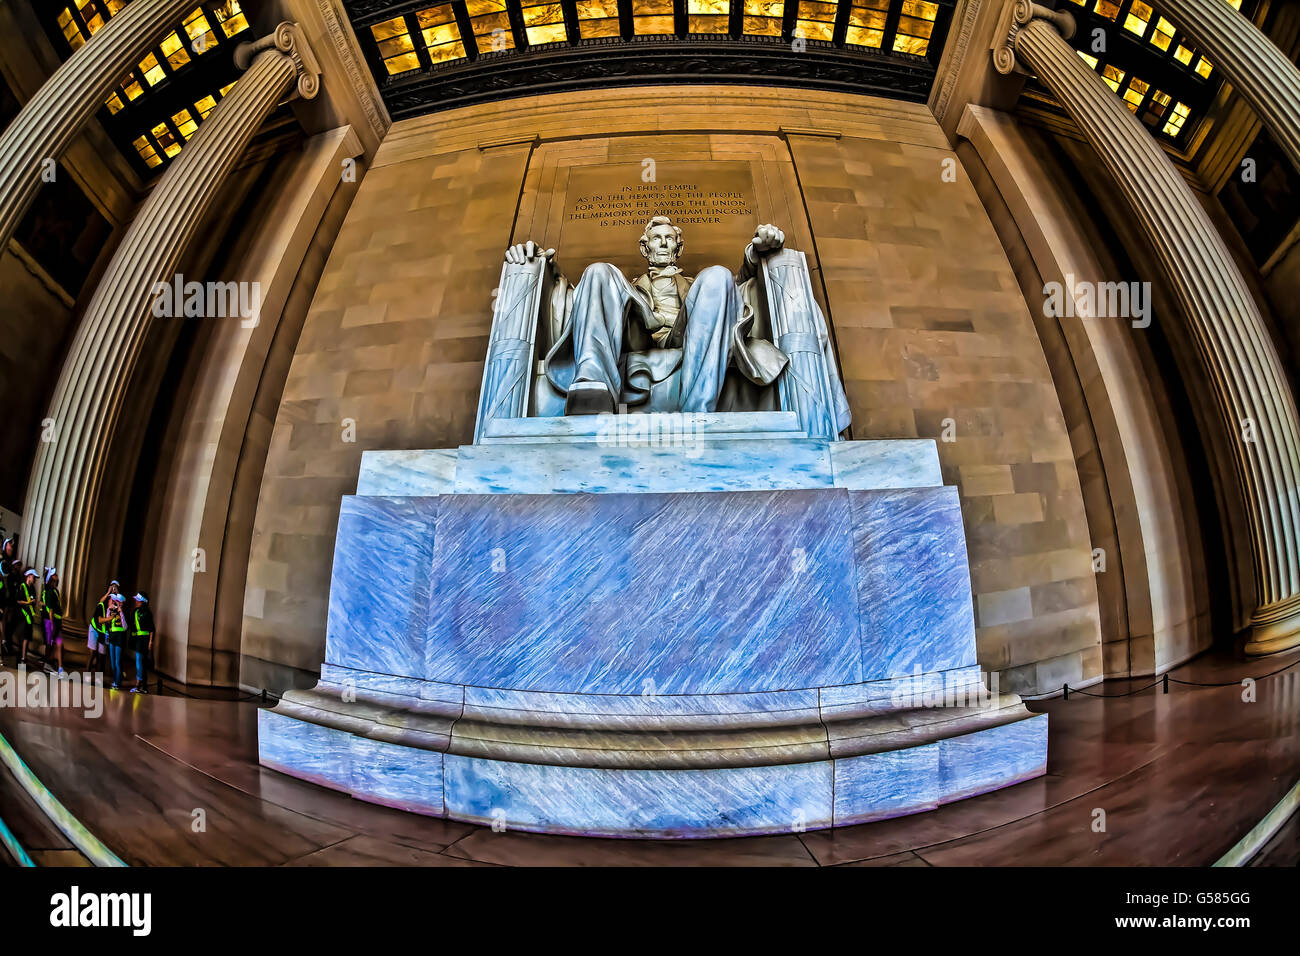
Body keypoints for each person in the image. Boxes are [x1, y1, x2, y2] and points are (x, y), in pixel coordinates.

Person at [41, 568, 66, 677]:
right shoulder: (49, 592)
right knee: (49, 644)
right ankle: (47, 664)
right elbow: (50, 609)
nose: (56, 575)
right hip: (52, 621)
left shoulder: (56, 591)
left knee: (59, 644)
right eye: (54, 574)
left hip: (58, 621)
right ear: (51, 578)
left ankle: (60, 668)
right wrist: (51, 624)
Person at [129, 592, 154, 694]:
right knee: (140, 662)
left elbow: (152, 628)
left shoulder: (148, 613)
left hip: (144, 639)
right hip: (138, 639)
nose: (136, 601)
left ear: (142, 602)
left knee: (141, 663)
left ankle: (139, 684)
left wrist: (150, 642)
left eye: (138, 600)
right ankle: (142, 686)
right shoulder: (135, 611)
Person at [15, 568, 40, 667]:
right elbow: (17, 600)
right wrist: (27, 602)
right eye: (34, 577)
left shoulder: (32, 588)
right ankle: (22, 658)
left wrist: (33, 602)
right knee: (25, 637)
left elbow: (34, 599)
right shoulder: (22, 586)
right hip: (23, 616)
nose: (35, 580)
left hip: (30, 615)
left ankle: (24, 657)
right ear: (29, 576)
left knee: (28, 637)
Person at [105, 592, 128, 690]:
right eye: (115, 601)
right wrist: (108, 610)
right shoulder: (112, 610)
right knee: (112, 662)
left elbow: (125, 627)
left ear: (121, 603)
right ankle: (115, 680)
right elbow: (107, 622)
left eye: (117, 601)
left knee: (117, 661)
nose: (115, 602)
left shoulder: (123, 611)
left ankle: (118, 683)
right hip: (112, 636)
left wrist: (121, 612)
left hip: (119, 637)